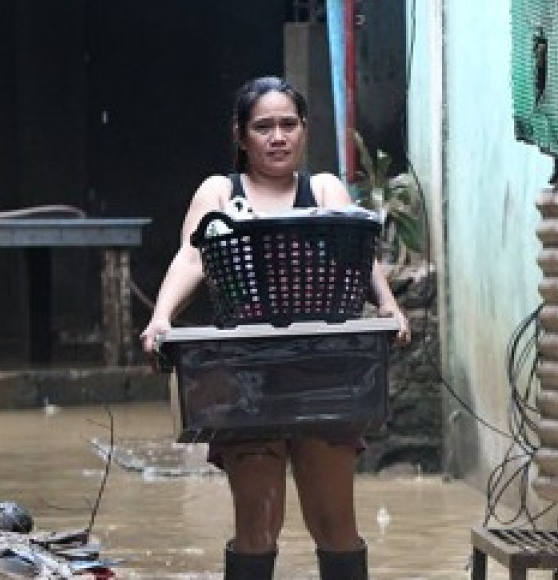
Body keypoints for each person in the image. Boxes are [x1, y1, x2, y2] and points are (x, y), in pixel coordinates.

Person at [139, 76, 411, 580]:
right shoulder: (220, 192)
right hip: (247, 374)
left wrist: (389, 308)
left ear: (304, 130)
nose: (278, 136)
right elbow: (191, 256)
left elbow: (359, 255)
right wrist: (161, 318)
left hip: (325, 370)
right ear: (242, 136)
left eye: (288, 124)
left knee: (335, 523)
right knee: (257, 525)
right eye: (263, 126)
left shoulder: (324, 188)